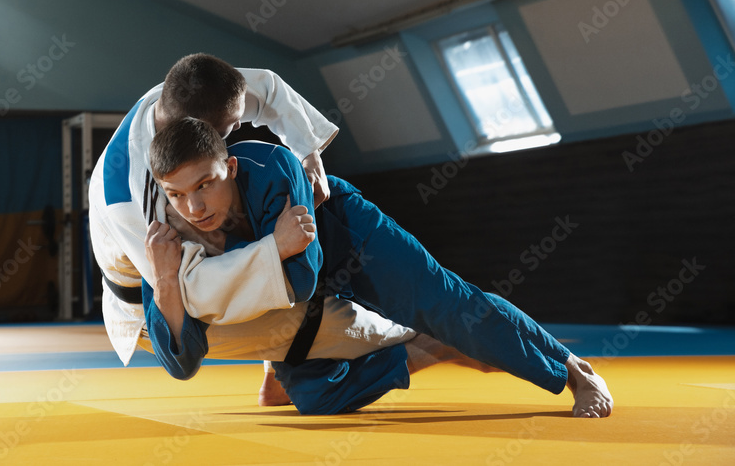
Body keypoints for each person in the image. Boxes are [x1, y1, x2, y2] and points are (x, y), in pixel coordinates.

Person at [142, 117, 614, 418]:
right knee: (317, 401)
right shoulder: (160, 234)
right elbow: (180, 365)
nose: (194, 206)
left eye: (206, 184)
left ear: (233, 168)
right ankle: (425, 347)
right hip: (285, 275)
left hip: (347, 236)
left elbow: (303, 280)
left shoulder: (273, 166)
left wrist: (254, 260)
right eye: (177, 193)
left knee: (450, 307)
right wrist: (166, 283)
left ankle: (573, 371)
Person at [90, 53, 425, 403]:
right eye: (226, 129)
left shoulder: (178, 94)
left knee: (244, 211)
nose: (237, 129)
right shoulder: (127, 198)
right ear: (191, 127)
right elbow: (190, 289)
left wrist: (309, 155)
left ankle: (275, 373)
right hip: (158, 298)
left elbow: (267, 88)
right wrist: (276, 247)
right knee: (327, 324)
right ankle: (419, 340)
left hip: (198, 260)